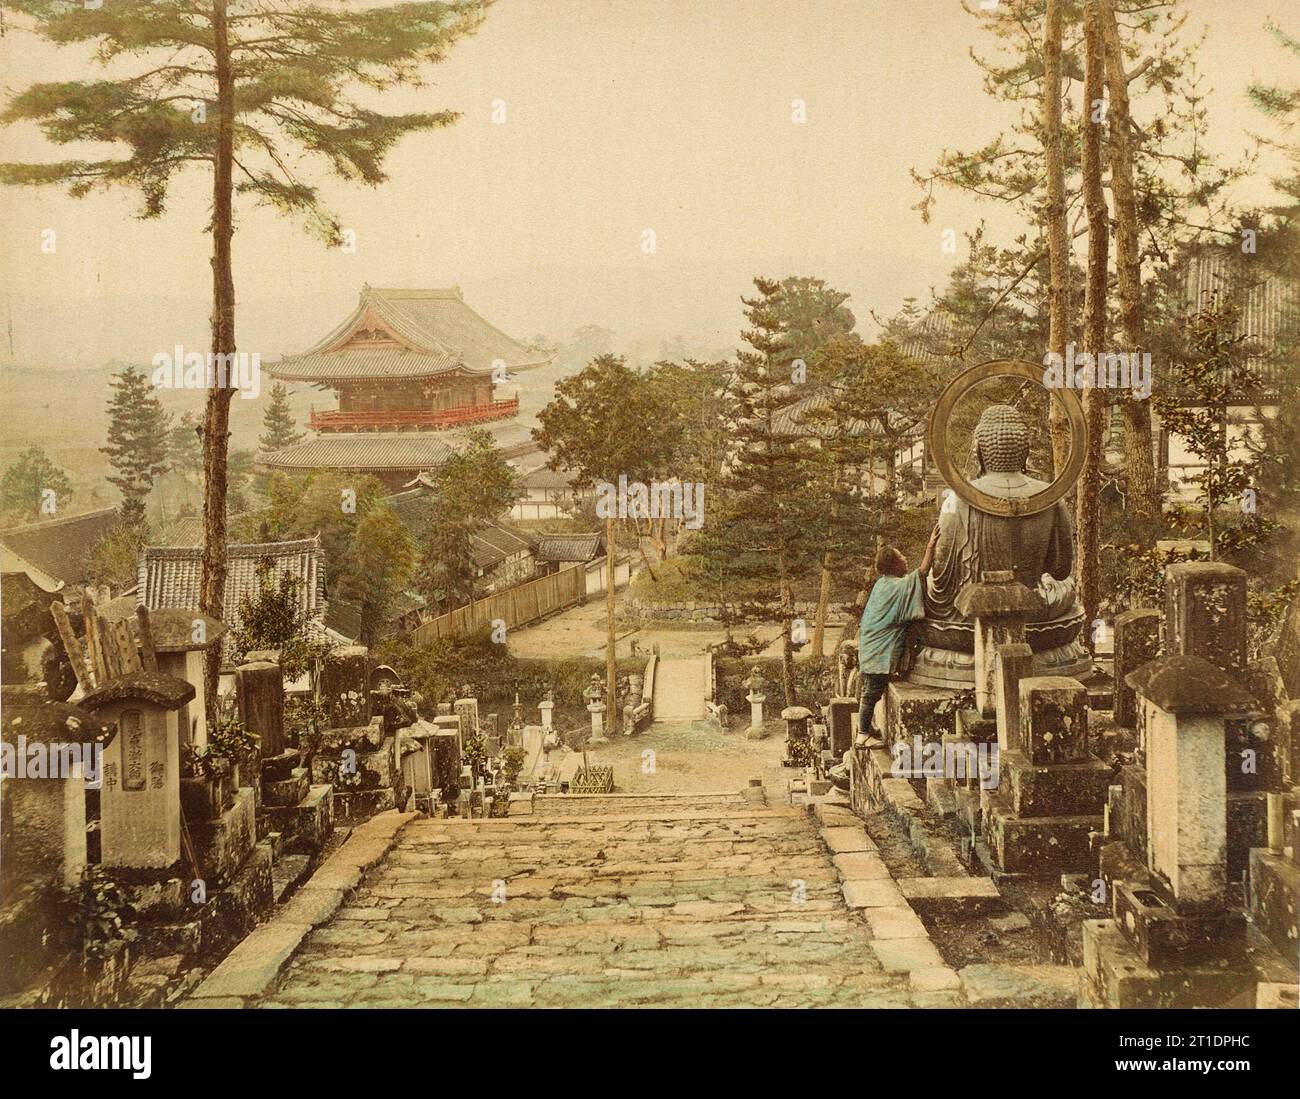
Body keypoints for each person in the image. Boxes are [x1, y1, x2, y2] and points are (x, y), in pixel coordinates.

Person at [853, 524, 941, 749]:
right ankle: (862, 735)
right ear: (894, 565)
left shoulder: (883, 584)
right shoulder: (896, 586)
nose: (905, 560)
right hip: (878, 648)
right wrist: (930, 546)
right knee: (871, 692)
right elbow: (921, 573)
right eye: (901, 557)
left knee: (872, 689)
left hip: (873, 645)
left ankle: (866, 729)